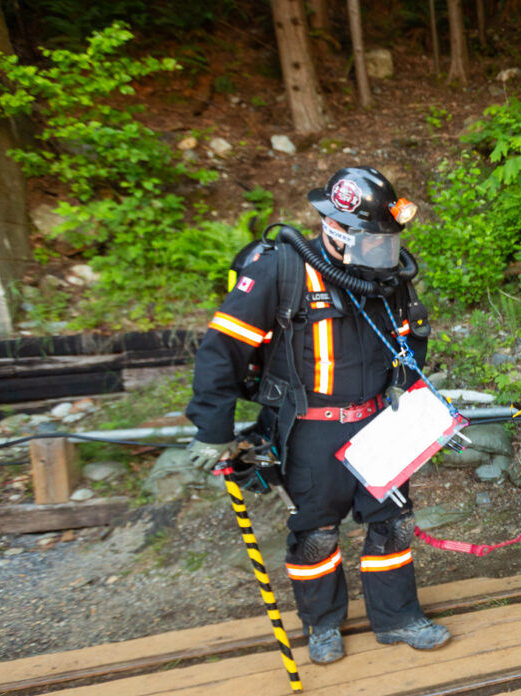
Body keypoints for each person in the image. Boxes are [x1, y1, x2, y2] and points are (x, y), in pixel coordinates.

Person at [184, 167, 450, 665]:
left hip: (378, 425)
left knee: (392, 525)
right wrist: (211, 428)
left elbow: (412, 334)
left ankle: (397, 619)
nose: (381, 251)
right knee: (315, 532)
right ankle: (323, 626)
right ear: (336, 229)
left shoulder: (384, 270)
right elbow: (222, 350)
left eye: (386, 242)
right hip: (310, 429)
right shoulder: (279, 268)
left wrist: (409, 393)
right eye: (372, 241)